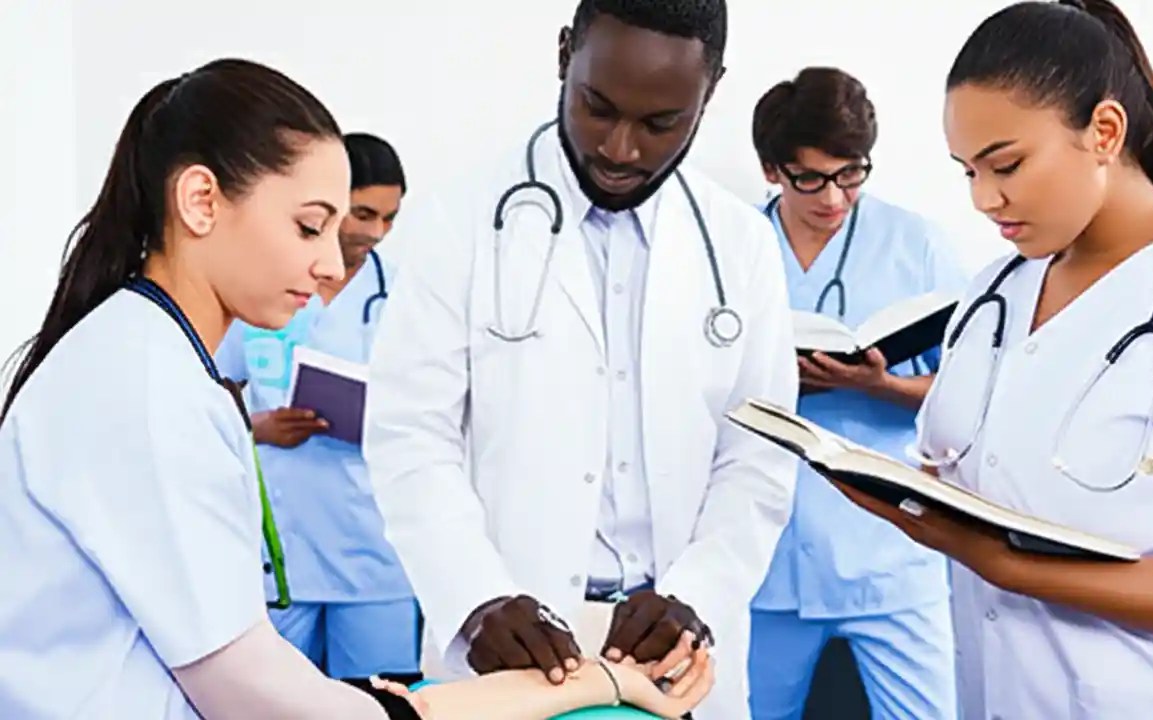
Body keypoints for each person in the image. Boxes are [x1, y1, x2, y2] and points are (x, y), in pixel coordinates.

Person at [0, 57, 711, 720]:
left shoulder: (146, 354)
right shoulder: (145, 384)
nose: (330, 266)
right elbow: (241, 687)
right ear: (201, 200)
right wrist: (595, 681)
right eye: (309, 227)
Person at [828, 1, 1153, 718]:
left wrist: (1014, 569)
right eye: (968, 172)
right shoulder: (992, 296)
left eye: (1005, 165)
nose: (984, 199)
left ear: (1105, 131)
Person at [362, 0, 798, 717]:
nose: (621, 149)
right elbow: (410, 436)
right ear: (565, 54)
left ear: (711, 89)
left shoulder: (739, 245)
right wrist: (476, 598)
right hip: (510, 646)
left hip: (676, 655)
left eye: (660, 124)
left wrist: (697, 595)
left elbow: (758, 457)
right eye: (598, 108)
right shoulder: (459, 222)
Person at [747, 67, 965, 720]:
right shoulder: (734, 247)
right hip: (767, 553)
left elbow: (973, 396)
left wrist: (881, 384)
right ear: (772, 170)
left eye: (851, 175)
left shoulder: (917, 245)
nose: (834, 198)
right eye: (811, 179)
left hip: (890, 550)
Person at [214, 131, 417, 679]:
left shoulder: (406, 297)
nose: (375, 233)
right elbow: (208, 391)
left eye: (390, 218)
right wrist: (257, 426)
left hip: (375, 555)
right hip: (281, 551)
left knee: (382, 700)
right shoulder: (260, 286)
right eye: (362, 214)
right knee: (273, 701)